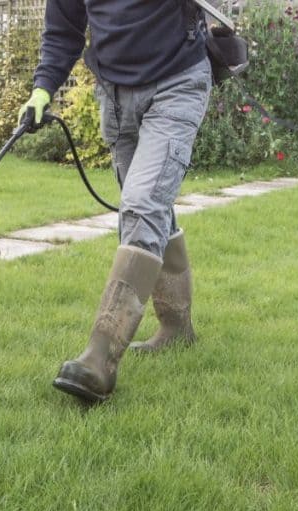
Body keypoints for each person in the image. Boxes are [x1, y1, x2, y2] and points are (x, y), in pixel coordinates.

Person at [20, 0, 212, 403]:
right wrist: (42, 90)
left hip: (178, 80)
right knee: (146, 206)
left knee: (143, 205)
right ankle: (177, 330)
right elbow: (63, 32)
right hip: (116, 95)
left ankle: (100, 358)